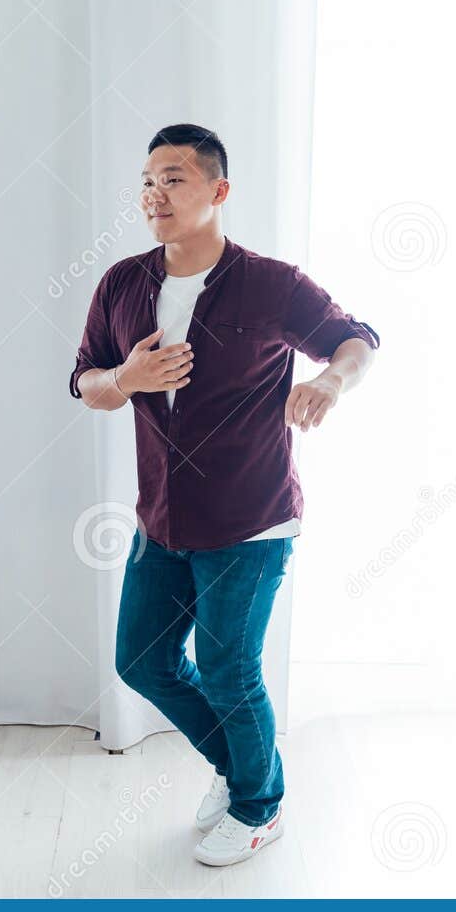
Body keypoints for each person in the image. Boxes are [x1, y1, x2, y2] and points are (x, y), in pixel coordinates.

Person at [68, 123, 379, 866]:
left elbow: (356, 336)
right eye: (147, 180)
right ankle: (247, 772)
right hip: (162, 518)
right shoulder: (121, 283)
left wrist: (331, 380)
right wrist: (126, 380)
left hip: (251, 517)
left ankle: (258, 806)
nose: (155, 193)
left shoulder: (271, 284)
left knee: (229, 666)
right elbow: (86, 382)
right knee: (142, 658)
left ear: (218, 190)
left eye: (174, 177)